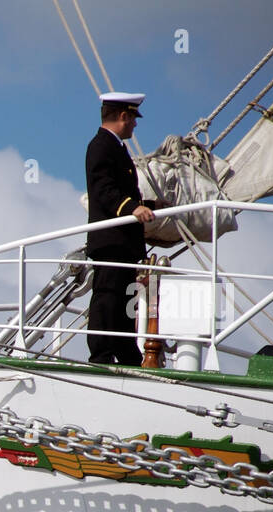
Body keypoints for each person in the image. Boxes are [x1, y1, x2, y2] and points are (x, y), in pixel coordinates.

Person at [85, 92, 155, 365]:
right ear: (123, 116)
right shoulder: (101, 145)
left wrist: (148, 204)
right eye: (133, 119)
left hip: (123, 242)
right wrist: (131, 209)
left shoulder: (115, 147)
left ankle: (126, 353)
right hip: (111, 240)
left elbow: (118, 190)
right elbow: (104, 189)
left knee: (125, 300)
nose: (135, 125)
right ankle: (101, 354)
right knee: (107, 297)